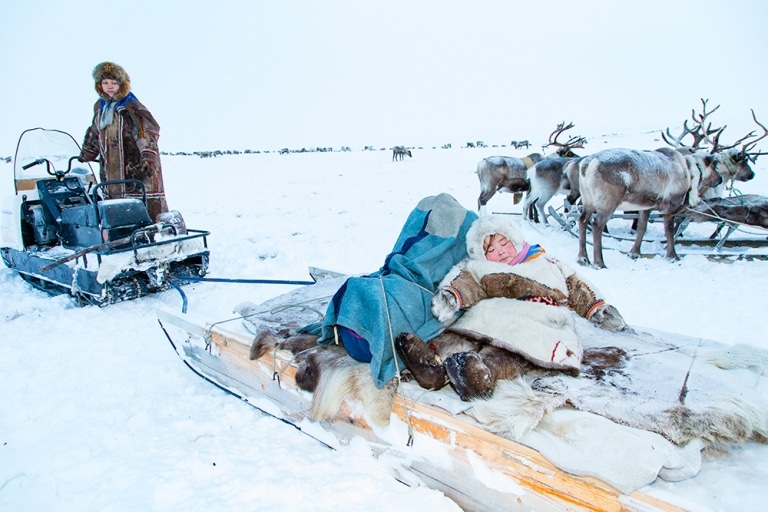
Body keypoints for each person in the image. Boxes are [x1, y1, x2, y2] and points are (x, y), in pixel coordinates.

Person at [396, 214, 628, 400]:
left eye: (503, 243)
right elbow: (466, 282)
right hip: (489, 316)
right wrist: (451, 297)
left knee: (509, 350)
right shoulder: (479, 267)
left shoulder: (547, 263)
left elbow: (576, 286)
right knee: (461, 337)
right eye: (491, 250)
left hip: (538, 320)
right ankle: (432, 365)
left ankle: (480, 376)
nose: (500, 252)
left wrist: (597, 309)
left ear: (514, 239)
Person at [79, 61, 173, 223]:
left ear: (121, 84)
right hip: (110, 170)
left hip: (135, 167)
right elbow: (95, 132)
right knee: (114, 204)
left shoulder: (130, 106)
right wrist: (87, 152)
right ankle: (119, 233)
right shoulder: (101, 108)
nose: (109, 86)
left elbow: (145, 132)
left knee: (141, 205)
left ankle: (154, 233)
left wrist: (147, 155)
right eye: (105, 82)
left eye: (114, 83)